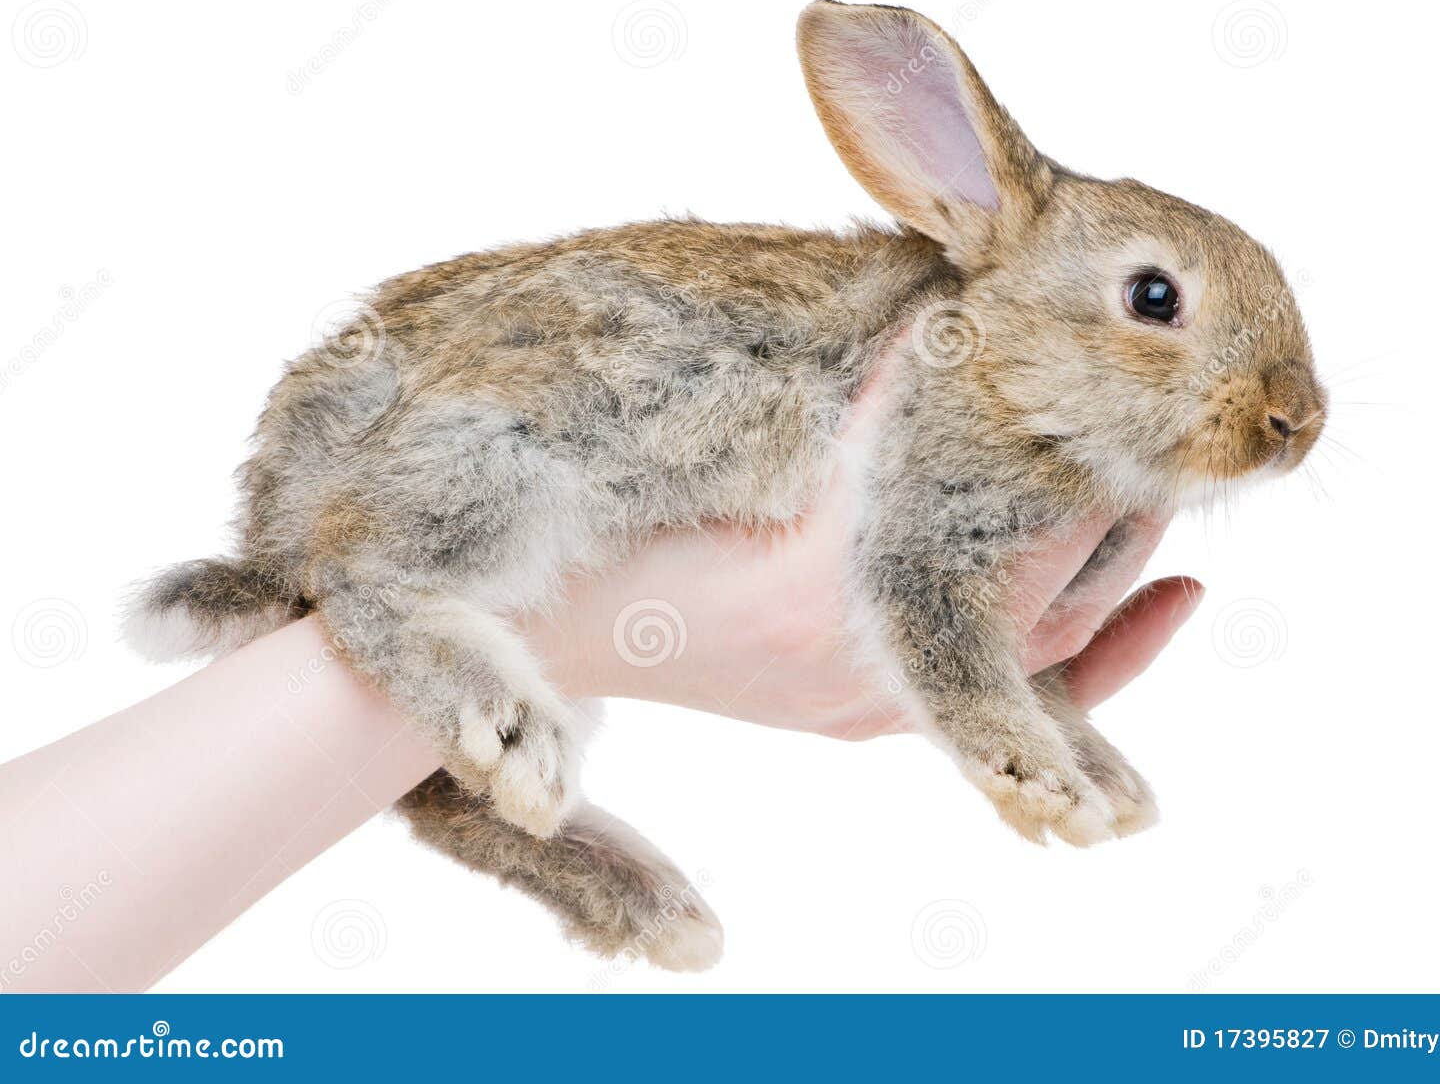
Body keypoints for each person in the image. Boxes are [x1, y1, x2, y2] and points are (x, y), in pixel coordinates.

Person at [0, 348, 1201, 992]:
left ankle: (456, 740)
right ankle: (402, 628)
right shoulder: (962, 340)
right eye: (1156, 306)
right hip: (438, 440)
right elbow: (906, 569)